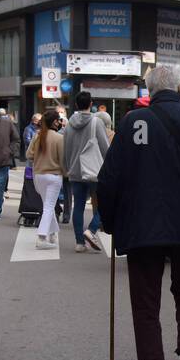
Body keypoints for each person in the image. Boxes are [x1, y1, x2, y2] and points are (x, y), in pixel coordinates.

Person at [98, 64, 180, 360]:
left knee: (145, 302)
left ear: (150, 92)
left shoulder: (133, 122)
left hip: (141, 226)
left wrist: (110, 221)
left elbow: (109, 180)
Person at [62, 90, 108, 251]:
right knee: (105, 204)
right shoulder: (97, 122)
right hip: (95, 171)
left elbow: (65, 149)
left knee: (79, 206)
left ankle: (79, 243)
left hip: (75, 171)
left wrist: (67, 167)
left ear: (76, 105)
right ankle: (92, 229)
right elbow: (104, 148)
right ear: (91, 104)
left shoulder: (69, 125)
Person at [27, 108, 65, 249]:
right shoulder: (59, 138)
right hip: (54, 176)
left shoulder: (38, 136)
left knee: (47, 205)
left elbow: (28, 155)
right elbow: (63, 160)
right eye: (58, 120)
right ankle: (42, 238)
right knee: (49, 206)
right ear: (54, 122)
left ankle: (53, 233)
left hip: (38, 175)